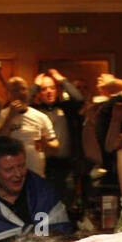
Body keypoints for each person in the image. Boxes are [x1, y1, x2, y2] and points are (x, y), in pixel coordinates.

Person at [33, 68, 86, 202]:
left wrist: (62, 79)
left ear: (57, 90)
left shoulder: (67, 108)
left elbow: (79, 99)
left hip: (66, 166)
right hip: (42, 166)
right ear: (39, 93)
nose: (49, 91)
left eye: (52, 88)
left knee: (66, 203)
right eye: (44, 89)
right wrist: (35, 86)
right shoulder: (34, 111)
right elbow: (22, 104)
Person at [0, 77, 58, 177]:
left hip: (36, 175)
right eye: (15, 90)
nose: (20, 93)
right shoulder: (2, 115)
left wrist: (45, 143)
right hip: (10, 177)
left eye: (23, 89)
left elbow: (55, 146)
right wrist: (10, 117)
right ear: (8, 94)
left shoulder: (41, 117)